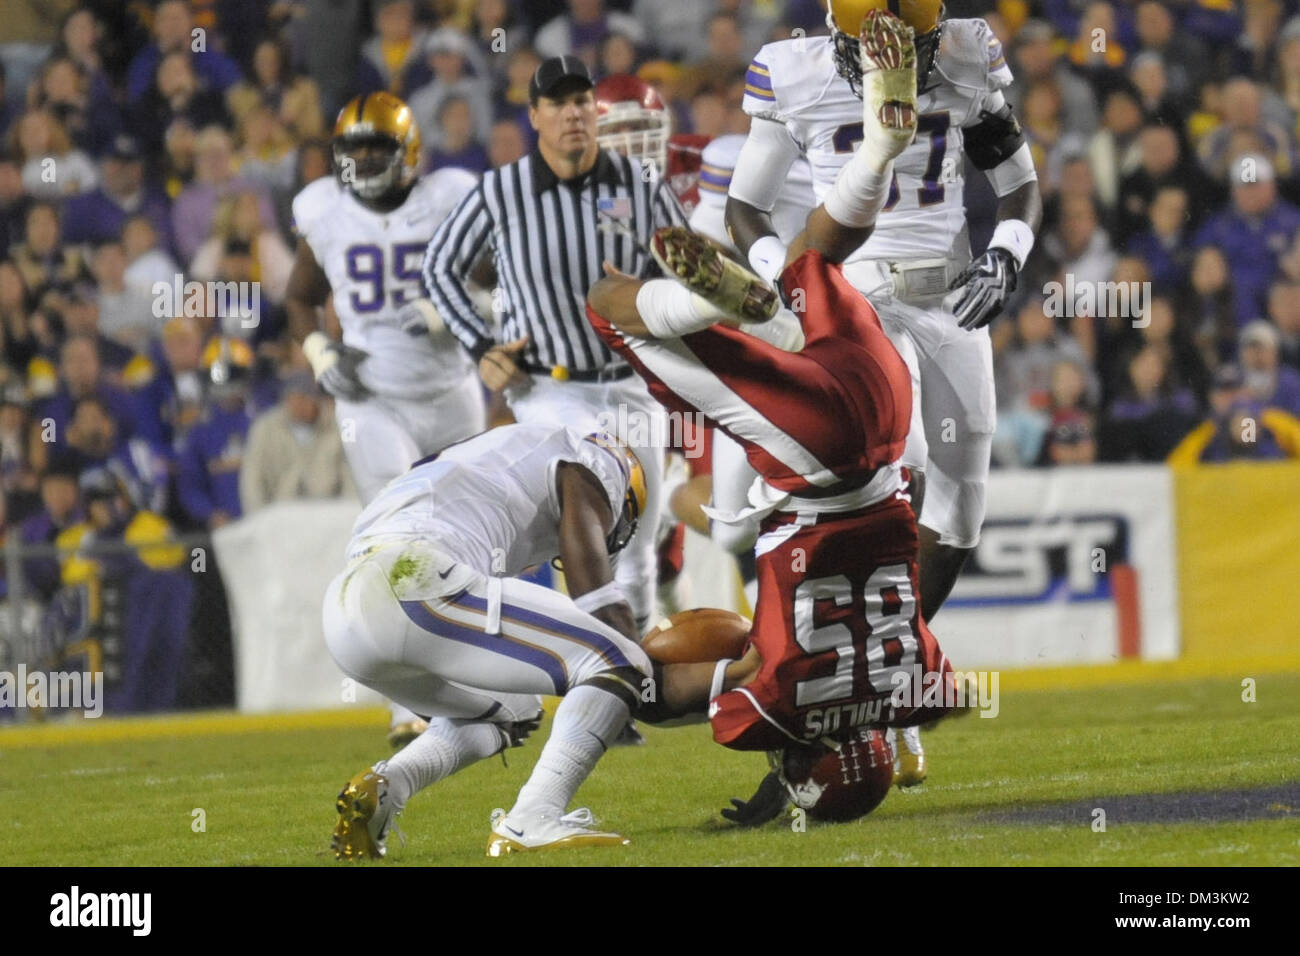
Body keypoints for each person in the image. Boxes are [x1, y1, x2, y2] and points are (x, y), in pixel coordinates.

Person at [585, 10, 957, 821]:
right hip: (815, 462)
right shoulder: (782, 704)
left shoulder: (925, 682)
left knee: (806, 263)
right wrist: (623, 672)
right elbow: (672, 693)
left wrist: (885, 729)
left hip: (883, 419)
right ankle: (707, 302)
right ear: (807, 762)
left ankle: (877, 152)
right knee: (610, 310)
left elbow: (916, 685)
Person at [724, 0, 1042, 785]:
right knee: (895, 477)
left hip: (951, 298)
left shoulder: (967, 53)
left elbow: (1018, 182)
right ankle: (845, 695)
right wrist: (788, 280)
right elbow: (744, 208)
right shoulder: (793, 70)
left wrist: (1006, 253)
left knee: (962, 504)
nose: (903, 53)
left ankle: (886, 684)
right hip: (857, 295)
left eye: (916, 41)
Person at [423, 56, 687, 634]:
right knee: (591, 503)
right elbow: (439, 267)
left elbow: (684, 264)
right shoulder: (501, 190)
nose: (573, 113)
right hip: (547, 385)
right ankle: (598, 665)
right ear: (535, 116)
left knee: (641, 549)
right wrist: (480, 346)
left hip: (631, 382)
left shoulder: (638, 183)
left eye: (581, 101)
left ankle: (629, 685)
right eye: (559, 103)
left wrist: (660, 304)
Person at [325, 423, 651, 857]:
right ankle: (534, 816)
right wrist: (655, 680)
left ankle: (387, 785)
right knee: (619, 660)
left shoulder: (485, 461)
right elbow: (597, 602)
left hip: (346, 613)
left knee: (513, 710)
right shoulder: (594, 458)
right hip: (414, 579)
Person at [286, 90, 485, 746]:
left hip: (452, 390)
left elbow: (497, 280)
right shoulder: (327, 214)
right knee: (395, 539)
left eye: (379, 148)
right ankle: (403, 700)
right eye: (354, 149)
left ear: (409, 153)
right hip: (373, 399)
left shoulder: (449, 197)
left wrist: (441, 310)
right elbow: (300, 297)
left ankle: (479, 679)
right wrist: (317, 351)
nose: (365, 160)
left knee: (474, 536)